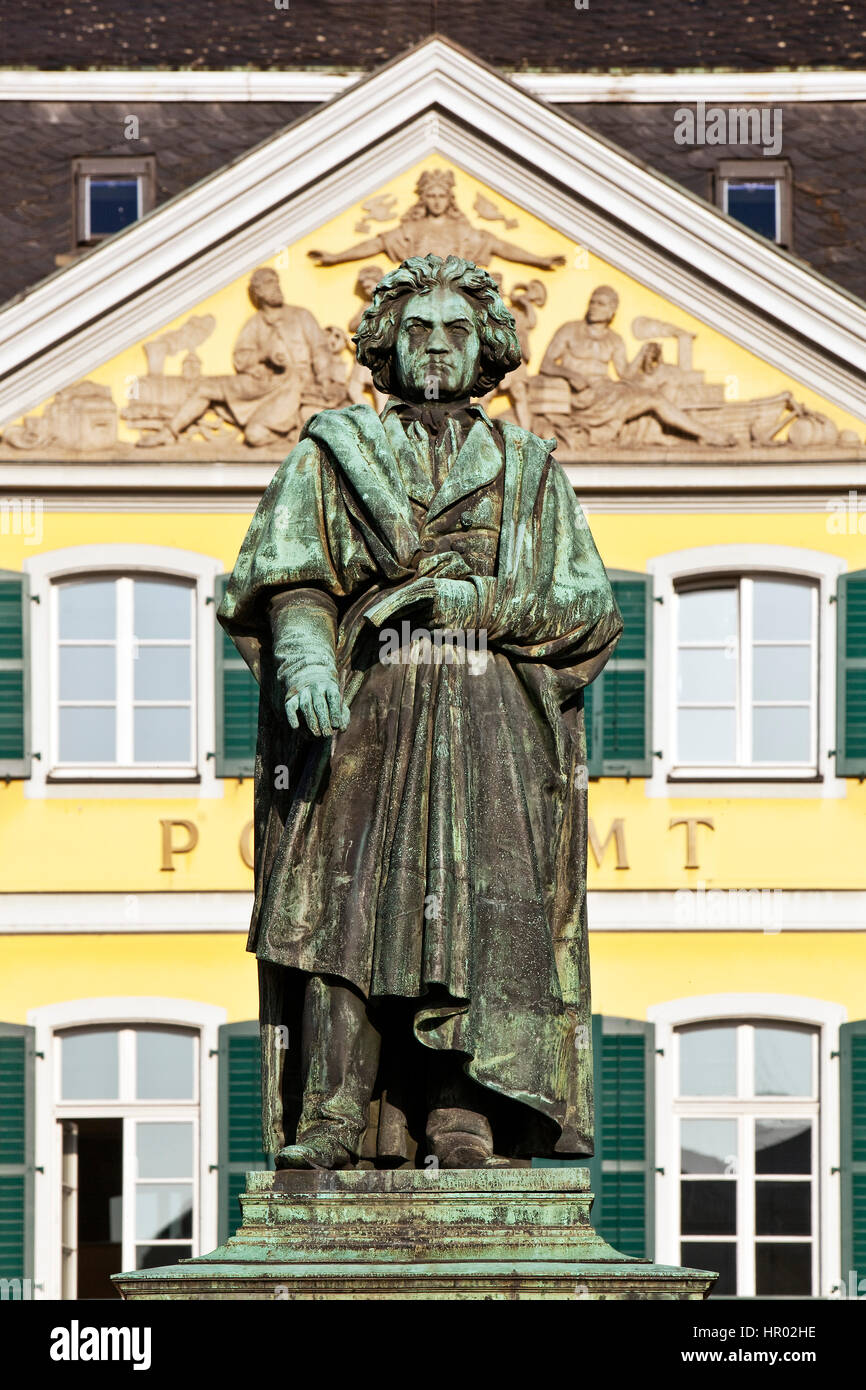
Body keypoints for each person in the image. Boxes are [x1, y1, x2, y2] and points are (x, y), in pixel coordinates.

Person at [217, 254, 622, 1170]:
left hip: (495, 734)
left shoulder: (528, 469)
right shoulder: (330, 451)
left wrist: (472, 604)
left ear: (487, 348)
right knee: (335, 912)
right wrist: (308, 655)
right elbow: (289, 574)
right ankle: (331, 1112)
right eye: (415, 329)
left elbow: (589, 606)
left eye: (455, 330)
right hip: (362, 718)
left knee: (486, 918)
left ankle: (464, 1115)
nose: (435, 347)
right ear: (383, 347)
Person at [540, 285, 735, 447]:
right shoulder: (570, 330)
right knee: (654, 398)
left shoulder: (614, 339)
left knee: (657, 394)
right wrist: (570, 374)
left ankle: (701, 434)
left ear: (611, 311)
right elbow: (546, 364)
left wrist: (642, 354)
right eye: (592, 302)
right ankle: (707, 434)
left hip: (606, 391)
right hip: (582, 398)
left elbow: (625, 374)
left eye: (601, 304)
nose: (594, 307)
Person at [308, 168, 566, 272]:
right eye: (431, 195)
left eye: (442, 195)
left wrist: (539, 260)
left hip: (455, 287)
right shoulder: (411, 228)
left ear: (449, 198)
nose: (437, 200)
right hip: (419, 286)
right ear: (423, 199)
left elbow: (499, 246)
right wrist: (335, 257)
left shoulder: (462, 229)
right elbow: (374, 245)